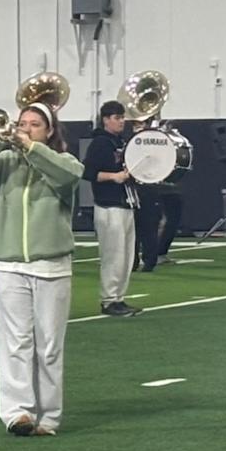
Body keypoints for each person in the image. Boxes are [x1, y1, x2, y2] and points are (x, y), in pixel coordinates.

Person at [0, 100, 82, 435]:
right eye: (22, 123)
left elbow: (69, 177)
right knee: (14, 341)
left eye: (35, 124)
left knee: (49, 346)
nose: (25, 129)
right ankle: (17, 413)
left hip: (51, 264)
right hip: (8, 262)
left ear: (49, 131)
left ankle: (49, 416)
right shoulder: (2, 162)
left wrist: (31, 148)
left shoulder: (64, 162)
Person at [82, 102, 141, 316]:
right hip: (108, 205)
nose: (121, 121)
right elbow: (87, 172)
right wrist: (114, 176)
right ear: (106, 119)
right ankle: (108, 299)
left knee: (126, 256)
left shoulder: (120, 141)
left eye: (122, 117)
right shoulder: (100, 143)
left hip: (125, 202)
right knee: (113, 255)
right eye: (117, 117)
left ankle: (118, 297)